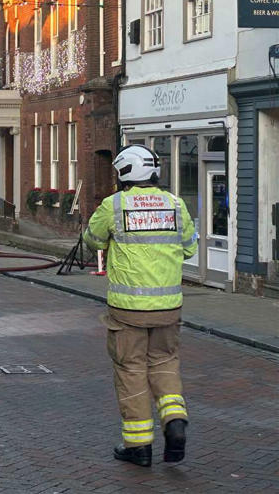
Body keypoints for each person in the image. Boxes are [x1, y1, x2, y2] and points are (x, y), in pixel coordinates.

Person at [83, 145, 197, 467]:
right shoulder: (175, 204)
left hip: (127, 309)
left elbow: (92, 239)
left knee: (131, 370)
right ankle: (174, 420)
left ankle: (139, 447)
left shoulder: (114, 205)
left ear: (124, 173)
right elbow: (190, 248)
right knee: (165, 363)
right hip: (168, 307)